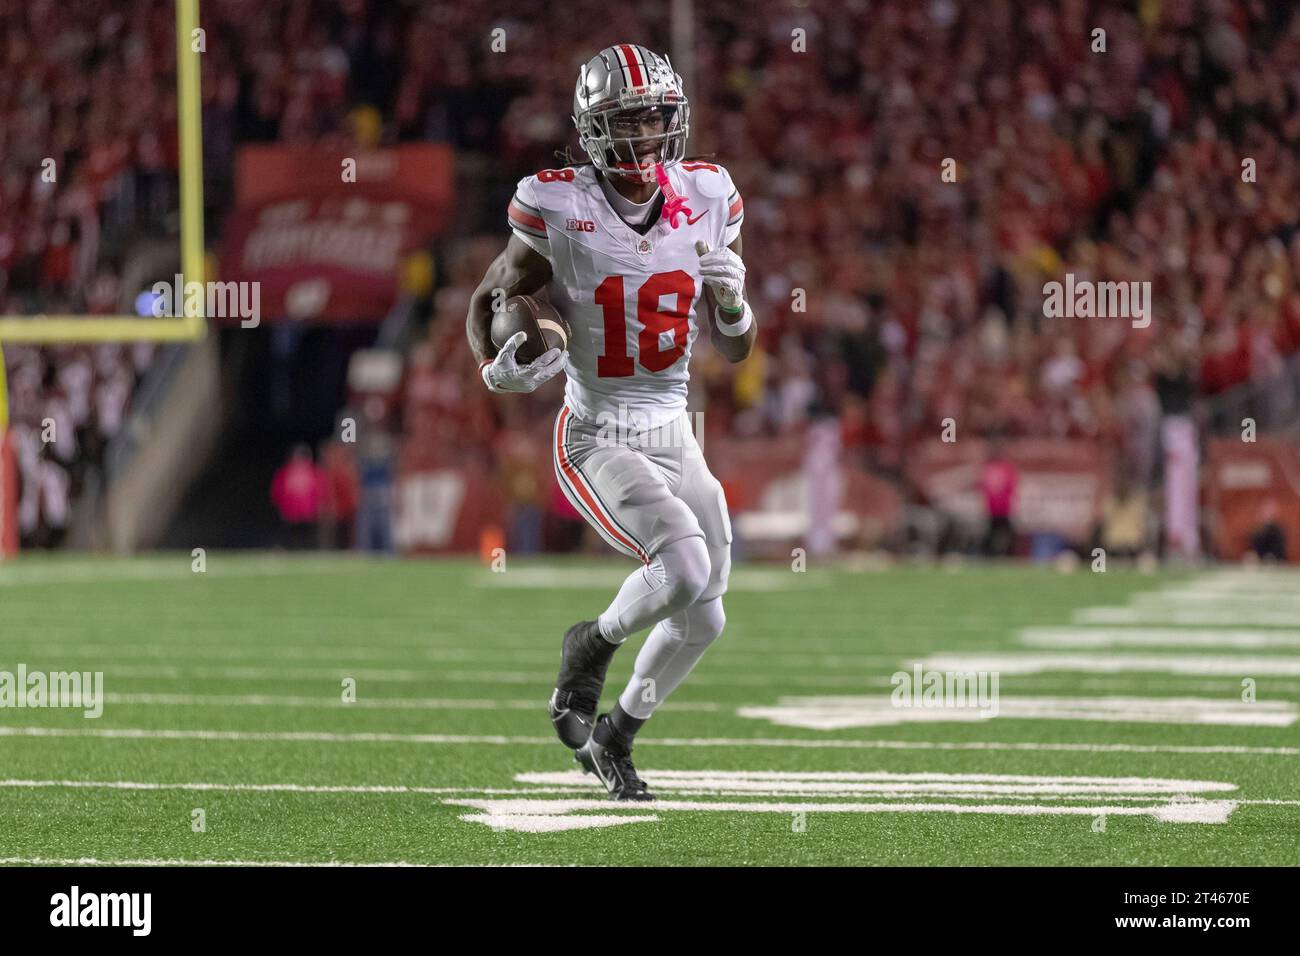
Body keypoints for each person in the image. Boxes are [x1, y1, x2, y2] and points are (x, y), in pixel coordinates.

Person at [465, 45, 754, 801]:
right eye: (629, 121)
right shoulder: (558, 203)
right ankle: (590, 645)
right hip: (598, 433)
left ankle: (615, 739)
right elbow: (492, 300)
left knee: (707, 616)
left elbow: (737, 344)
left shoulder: (711, 193)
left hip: (673, 427)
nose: (648, 136)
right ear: (593, 130)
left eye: (657, 118)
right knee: (684, 568)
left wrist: (735, 307)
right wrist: (497, 359)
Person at [270, 445, 322, 550]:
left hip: (308, 513)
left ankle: (308, 550)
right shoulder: (285, 472)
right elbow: (277, 491)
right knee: (290, 535)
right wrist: (280, 507)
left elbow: (320, 491)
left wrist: (319, 507)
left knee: (307, 535)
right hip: (290, 512)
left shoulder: (314, 472)